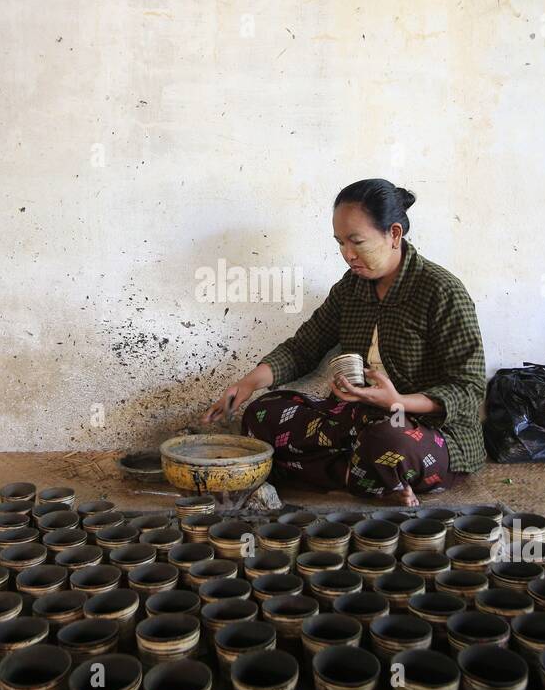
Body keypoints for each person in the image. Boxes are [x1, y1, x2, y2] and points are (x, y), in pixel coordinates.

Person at [202, 179, 487, 506]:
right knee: (261, 415)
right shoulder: (351, 288)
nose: (348, 254)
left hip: (420, 427)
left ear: (394, 234)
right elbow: (303, 347)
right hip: (359, 417)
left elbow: (469, 388)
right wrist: (249, 383)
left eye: (357, 241)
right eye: (340, 243)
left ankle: (356, 472)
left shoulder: (442, 291)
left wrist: (398, 401)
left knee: (388, 442)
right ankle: (369, 478)